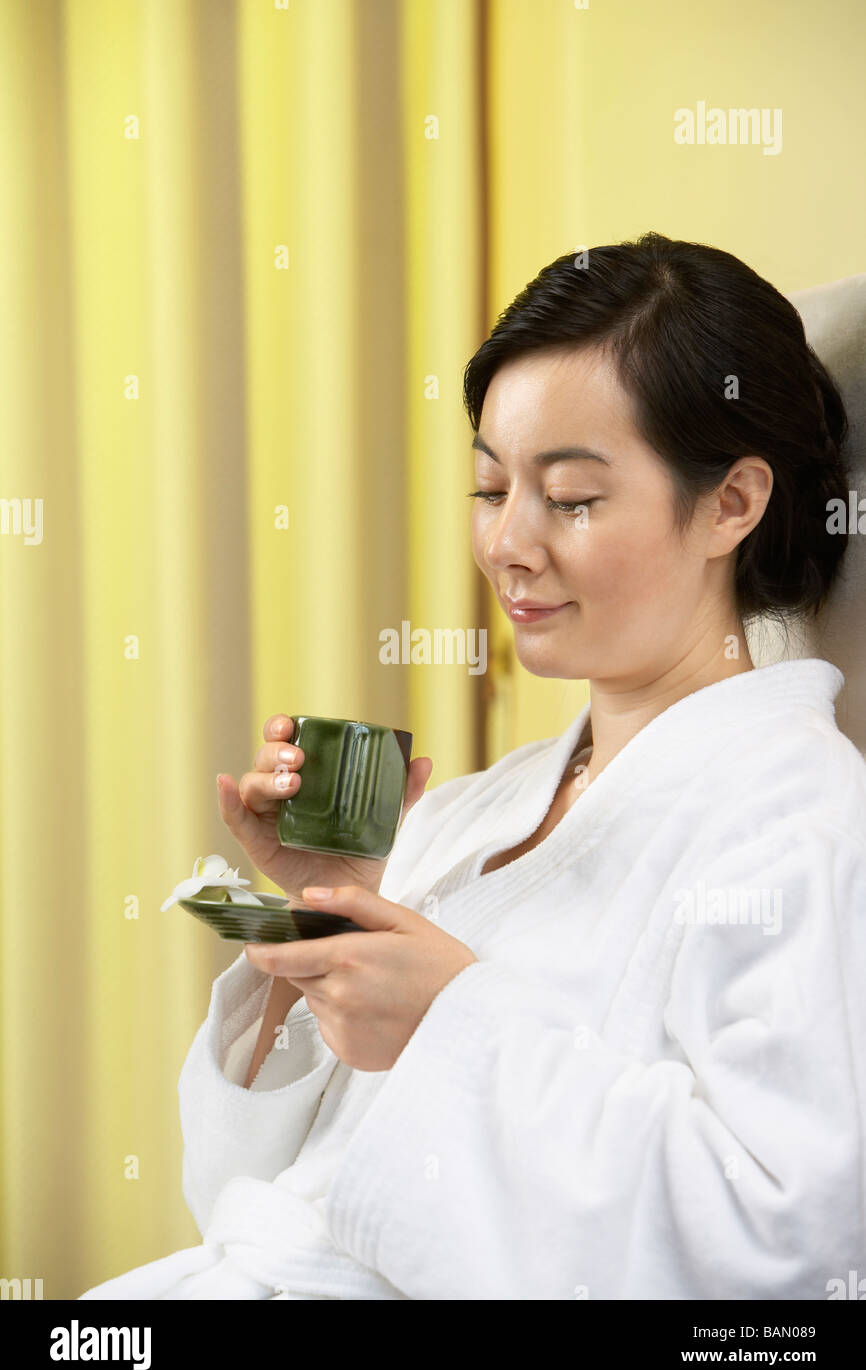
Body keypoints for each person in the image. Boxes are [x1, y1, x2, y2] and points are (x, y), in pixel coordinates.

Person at [79, 232, 866, 1300]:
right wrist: (325, 923)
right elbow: (244, 1190)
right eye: (492, 489)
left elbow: (781, 1248)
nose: (509, 543)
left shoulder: (801, 819)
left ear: (730, 503)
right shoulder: (466, 814)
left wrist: (451, 1017)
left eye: (572, 497)